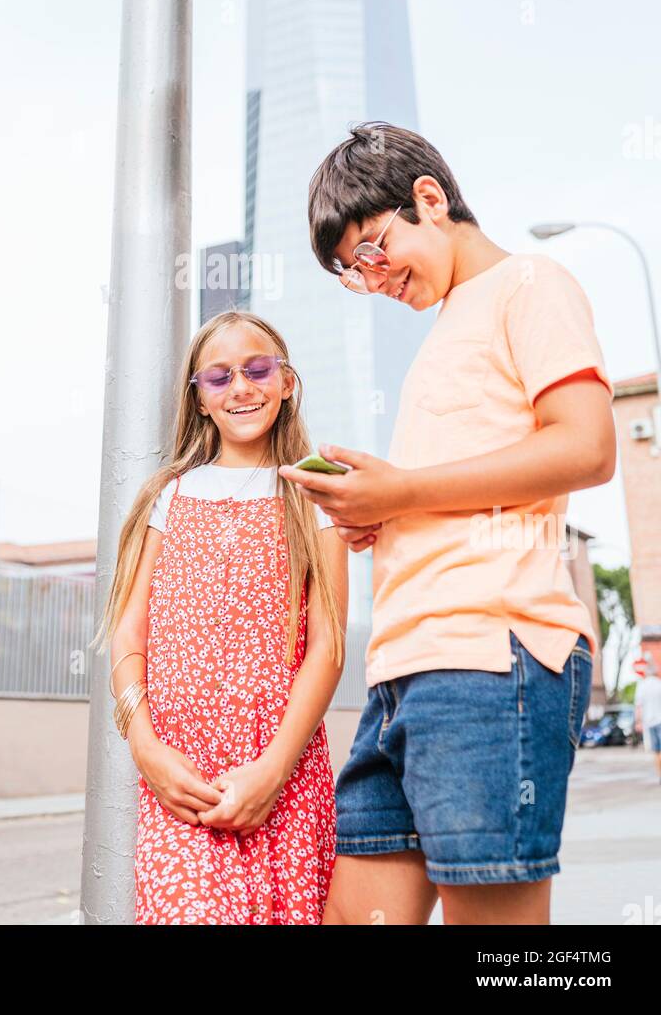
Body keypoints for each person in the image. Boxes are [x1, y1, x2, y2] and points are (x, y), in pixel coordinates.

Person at [279, 121, 617, 926]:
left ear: (427, 199)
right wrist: (380, 515)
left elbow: (588, 445)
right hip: (401, 674)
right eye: (352, 274)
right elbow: (450, 496)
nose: (372, 277)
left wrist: (401, 494)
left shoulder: (529, 284)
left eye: (370, 250)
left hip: (489, 658)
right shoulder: (444, 333)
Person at [91, 311, 348, 924]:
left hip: (283, 783)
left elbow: (328, 647)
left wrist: (272, 770)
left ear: (287, 381)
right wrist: (146, 747)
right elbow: (128, 635)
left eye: (258, 369)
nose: (241, 388)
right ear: (199, 399)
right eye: (218, 377)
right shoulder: (168, 495)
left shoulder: (318, 490)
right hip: (184, 791)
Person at [634, 658, 661, 782]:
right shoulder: (659, 684)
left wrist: (638, 722)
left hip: (650, 722)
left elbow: (639, 706)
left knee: (657, 751)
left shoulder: (642, 685)